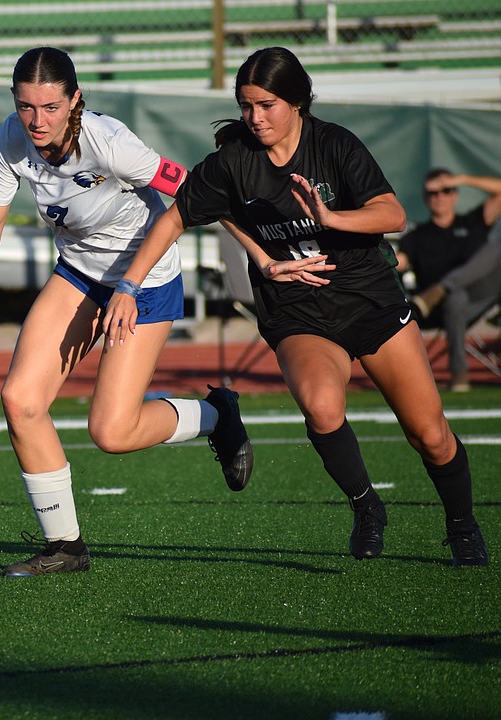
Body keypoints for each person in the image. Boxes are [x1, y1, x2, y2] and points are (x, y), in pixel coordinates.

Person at [102, 46, 489, 567]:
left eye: (267, 105)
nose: (255, 117)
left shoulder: (334, 145)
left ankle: (462, 525)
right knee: (323, 408)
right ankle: (367, 507)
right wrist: (127, 285)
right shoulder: (234, 162)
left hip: (368, 297)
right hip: (298, 309)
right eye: (246, 106)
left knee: (430, 434)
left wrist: (332, 219)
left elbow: (392, 213)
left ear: (298, 101)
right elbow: (175, 218)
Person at [0, 46, 253, 577]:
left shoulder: (109, 142)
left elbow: (197, 193)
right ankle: (66, 546)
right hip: (79, 273)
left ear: (75, 99)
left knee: (112, 432)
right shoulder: (11, 138)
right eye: (26, 107)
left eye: (51, 107)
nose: (37, 121)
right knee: (20, 399)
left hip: (144, 279)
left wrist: (260, 254)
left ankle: (219, 417)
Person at [395, 169, 501, 391]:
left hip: (478, 298)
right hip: (435, 309)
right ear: (425, 198)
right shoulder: (417, 236)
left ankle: (442, 288)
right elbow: (400, 261)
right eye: (433, 193)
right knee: (455, 298)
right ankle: (459, 375)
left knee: (496, 248)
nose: (439, 197)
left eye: (446, 190)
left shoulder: (474, 222)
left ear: (455, 194)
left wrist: (462, 178)